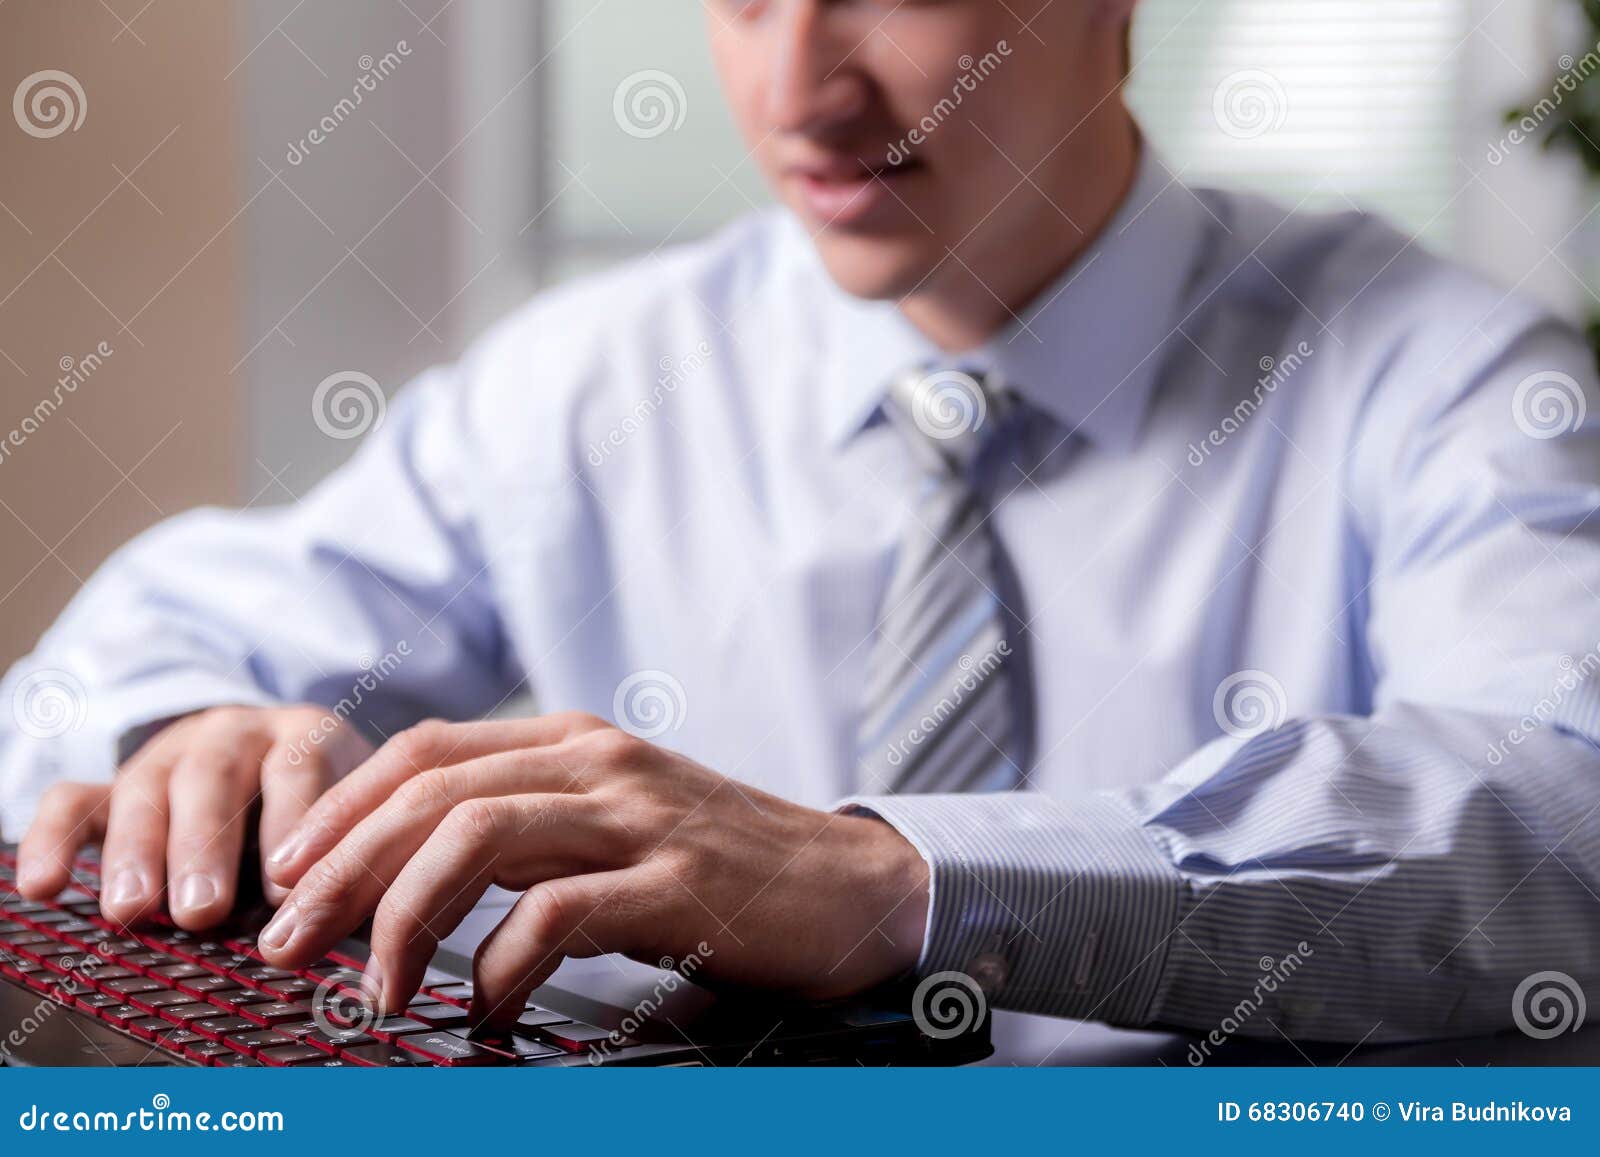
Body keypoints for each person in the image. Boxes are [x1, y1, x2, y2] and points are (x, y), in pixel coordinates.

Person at [4, 0, 1599, 1052]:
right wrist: (189, 739)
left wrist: (909, 885)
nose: (798, 97)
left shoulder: (1448, 373)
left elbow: (1568, 815)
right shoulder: (589, 375)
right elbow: (99, 672)